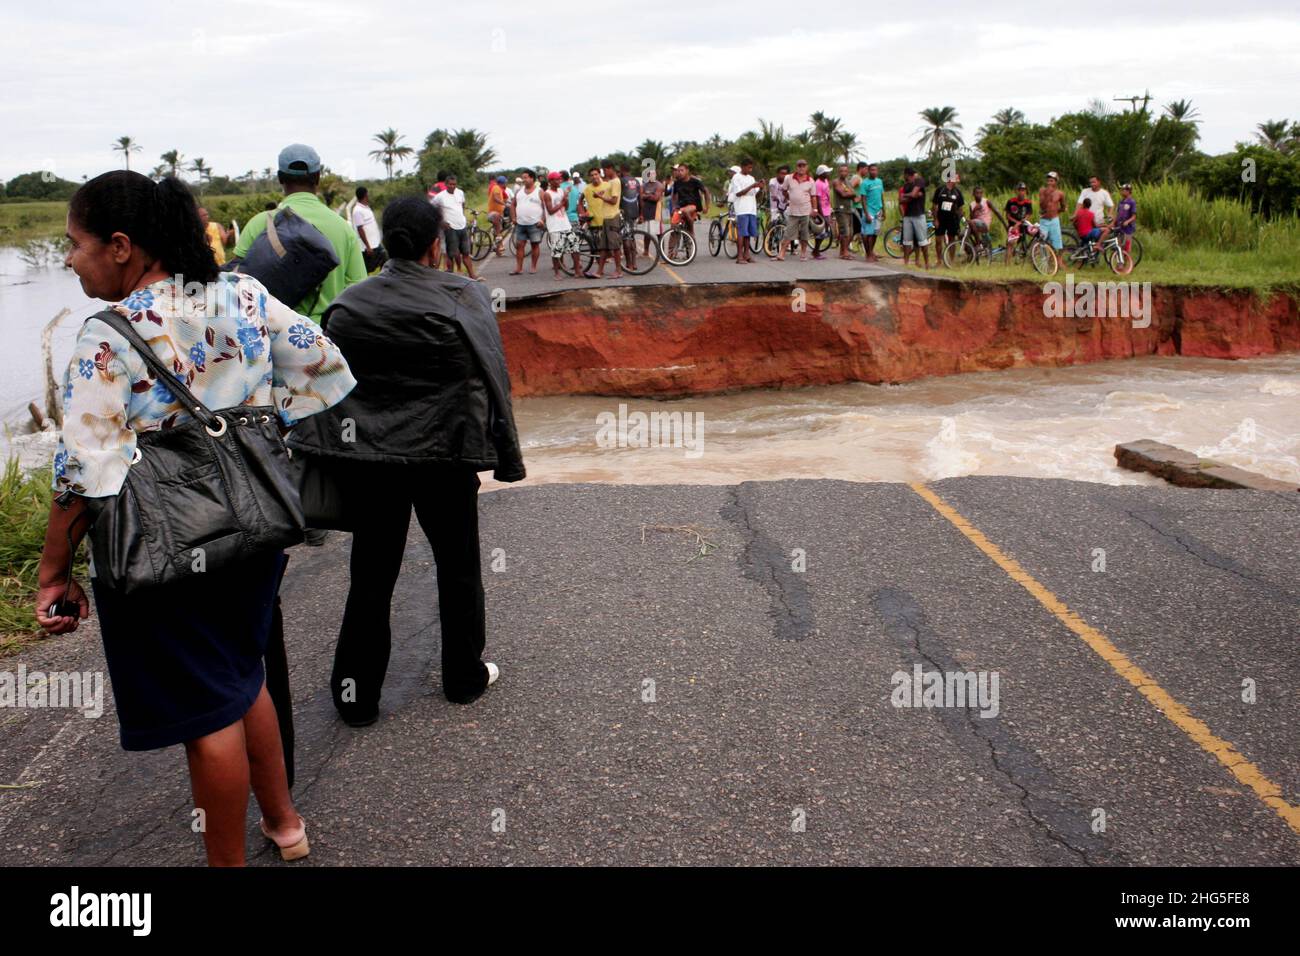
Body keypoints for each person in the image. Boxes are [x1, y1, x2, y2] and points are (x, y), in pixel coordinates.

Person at [41, 170, 356, 866]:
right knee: (243, 679)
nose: (69, 258)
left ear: (121, 246)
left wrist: (52, 572)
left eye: (76, 243)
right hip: (255, 529)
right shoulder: (243, 292)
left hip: (168, 545)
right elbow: (325, 367)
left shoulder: (108, 334)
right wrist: (250, 426)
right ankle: (284, 825)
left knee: (207, 714)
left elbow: (82, 470)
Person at [287, 197, 525, 726]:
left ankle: (355, 698)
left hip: (372, 461)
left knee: (372, 575)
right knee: (458, 568)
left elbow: (327, 390)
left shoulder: (348, 304)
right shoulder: (465, 295)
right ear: (435, 243)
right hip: (445, 456)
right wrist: (506, 455)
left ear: (382, 237)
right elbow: (493, 375)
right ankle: (463, 678)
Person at [233, 144, 366, 322]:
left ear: (280, 178)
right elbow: (358, 288)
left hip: (269, 336)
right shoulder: (343, 228)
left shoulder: (260, 223)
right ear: (318, 177)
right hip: (325, 340)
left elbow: (235, 283)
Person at [543, 172, 580, 280]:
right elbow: (550, 211)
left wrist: (566, 199)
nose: (559, 181)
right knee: (557, 251)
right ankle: (557, 274)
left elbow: (566, 207)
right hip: (555, 226)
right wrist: (562, 202)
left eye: (560, 179)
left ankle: (578, 270)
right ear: (550, 181)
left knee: (575, 247)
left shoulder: (561, 191)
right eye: (556, 179)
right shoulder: (547, 194)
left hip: (565, 224)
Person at [778, 159, 816, 261]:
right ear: (796, 167)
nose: (801, 168)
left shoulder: (810, 180)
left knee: (804, 234)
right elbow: (784, 190)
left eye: (803, 166)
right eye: (799, 166)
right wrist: (789, 198)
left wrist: (815, 209)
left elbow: (813, 196)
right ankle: (781, 254)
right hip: (793, 210)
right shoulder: (789, 178)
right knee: (788, 233)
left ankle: (803, 254)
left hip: (805, 210)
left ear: (806, 167)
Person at [510, 169, 546, 275]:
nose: (523, 180)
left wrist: (542, 220)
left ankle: (533, 267)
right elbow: (513, 205)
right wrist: (513, 218)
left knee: (535, 245)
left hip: (535, 223)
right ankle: (518, 268)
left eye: (525, 177)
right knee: (520, 245)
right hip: (520, 223)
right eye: (523, 177)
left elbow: (545, 208)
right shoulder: (519, 192)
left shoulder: (539, 191)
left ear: (532, 179)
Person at [593, 160, 624, 278]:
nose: (604, 172)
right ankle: (599, 271)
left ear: (610, 168)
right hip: (606, 217)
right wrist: (600, 194)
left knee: (614, 246)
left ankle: (618, 271)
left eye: (605, 170)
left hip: (612, 217)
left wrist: (601, 197)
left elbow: (614, 200)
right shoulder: (610, 182)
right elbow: (608, 195)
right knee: (604, 248)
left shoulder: (615, 181)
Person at [727, 158, 761, 264]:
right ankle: (739, 256)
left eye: (751, 167)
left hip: (751, 208)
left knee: (748, 233)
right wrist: (752, 186)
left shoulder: (751, 178)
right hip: (741, 208)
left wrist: (760, 187)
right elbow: (738, 193)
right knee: (742, 233)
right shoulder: (736, 177)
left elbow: (755, 192)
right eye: (748, 167)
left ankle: (747, 254)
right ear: (743, 166)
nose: (750, 170)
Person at [899, 166, 930, 268]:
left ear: (907, 175)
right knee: (906, 242)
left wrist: (908, 195)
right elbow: (902, 200)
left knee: (923, 241)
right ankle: (906, 263)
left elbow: (910, 196)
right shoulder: (907, 185)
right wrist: (912, 195)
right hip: (908, 215)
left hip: (918, 215)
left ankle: (927, 263)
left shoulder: (919, 181)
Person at [351, 186, 386, 273]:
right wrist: (368, 246)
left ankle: (382, 280)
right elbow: (360, 229)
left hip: (375, 244)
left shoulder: (365, 207)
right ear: (365, 195)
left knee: (385, 259)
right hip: (367, 248)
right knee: (366, 270)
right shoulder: (357, 211)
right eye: (367, 194)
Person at [931, 172, 964, 264]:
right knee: (938, 240)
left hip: (952, 220)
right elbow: (934, 206)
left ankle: (951, 260)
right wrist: (935, 219)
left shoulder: (958, 192)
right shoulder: (940, 190)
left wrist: (959, 220)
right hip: (941, 219)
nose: (958, 181)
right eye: (956, 178)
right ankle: (939, 260)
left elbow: (960, 208)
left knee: (951, 239)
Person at [856, 163, 885, 261]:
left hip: (878, 211)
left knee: (875, 233)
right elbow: (863, 199)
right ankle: (868, 255)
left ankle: (871, 252)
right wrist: (867, 214)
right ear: (868, 171)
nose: (874, 172)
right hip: (869, 211)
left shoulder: (880, 181)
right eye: (872, 170)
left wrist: (884, 210)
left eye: (875, 170)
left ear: (877, 171)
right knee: (867, 233)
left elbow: (881, 196)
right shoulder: (865, 183)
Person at [1038, 171, 1068, 267]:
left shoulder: (1060, 193)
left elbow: (1063, 207)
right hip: (1044, 220)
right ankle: (1043, 262)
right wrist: (1048, 194)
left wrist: (1057, 211)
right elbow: (1042, 205)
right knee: (1042, 241)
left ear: (1056, 182)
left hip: (1054, 220)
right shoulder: (1042, 191)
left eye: (1051, 181)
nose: (1049, 183)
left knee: (1057, 243)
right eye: (1048, 181)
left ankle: (1057, 261)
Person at [832, 164, 857, 260]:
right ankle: (845, 252)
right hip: (840, 209)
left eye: (845, 171)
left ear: (848, 172)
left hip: (849, 209)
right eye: (841, 171)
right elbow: (843, 193)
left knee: (851, 232)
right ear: (838, 172)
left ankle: (843, 251)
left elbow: (853, 194)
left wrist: (851, 194)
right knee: (845, 232)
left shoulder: (848, 182)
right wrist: (852, 194)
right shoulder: (836, 181)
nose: (843, 173)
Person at [639, 167, 664, 256]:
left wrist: (646, 195)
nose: (652, 176)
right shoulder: (643, 186)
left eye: (654, 174)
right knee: (647, 232)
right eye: (650, 174)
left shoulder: (659, 185)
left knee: (659, 233)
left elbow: (656, 198)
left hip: (656, 211)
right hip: (646, 210)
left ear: (656, 175)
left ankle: (661, 251)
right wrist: (650, 195)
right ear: (648, 176)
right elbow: (641, 197)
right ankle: (646, 251)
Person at [487, 175, 510, 255]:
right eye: (505, 183)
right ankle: (500, 245)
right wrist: (505, 204)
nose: (506, 184)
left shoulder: (499, 189)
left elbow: (504, 198)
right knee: (498, 231)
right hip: (493, 213)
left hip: (499, 213)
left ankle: (498, 250)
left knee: (499, 230)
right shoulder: (496, 188)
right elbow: (496, 198)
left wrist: (508, 203)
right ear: (503, 183)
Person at [1113, 183, 1137, 251]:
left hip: (1128, 227)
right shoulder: (1121, 202)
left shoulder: (1132, 202)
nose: (1121, 191)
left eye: (1123, 190)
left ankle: (1127, 261)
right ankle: (1120, 261)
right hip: (1119, 226)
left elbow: (1134, 216)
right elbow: (1117, 214)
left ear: (1128, 191)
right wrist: (1113, 222)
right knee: (1119, 246)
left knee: (1127, 245)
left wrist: (1127, 221)